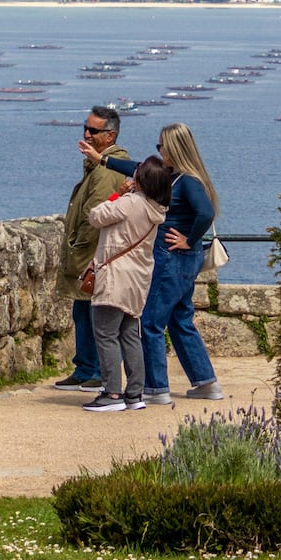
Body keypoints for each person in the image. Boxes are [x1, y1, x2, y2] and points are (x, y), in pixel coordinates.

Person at [83, 121, 223, 405]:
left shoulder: (186, 180)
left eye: (160, 145)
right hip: (185, 259)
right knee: (180, 319)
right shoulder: (172, 176)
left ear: (172, 149)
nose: (157, 150)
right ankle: (205, 381)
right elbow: (138, 169)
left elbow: (206, 212)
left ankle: (156, 387)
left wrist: (188, 238)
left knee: (149, 322)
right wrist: (103, 160)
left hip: (173, 257)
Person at [81, 155, 171, 413]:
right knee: (130, 334)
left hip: (115, 277)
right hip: (138, 280)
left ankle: (112, 393)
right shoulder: (156, 209)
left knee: (106, 334)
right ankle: (134, 393)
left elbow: (96, 216)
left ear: (142, 181)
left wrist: (117, 194)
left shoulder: (130, 203)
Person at [52, 106, 131, 392]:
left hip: (94, 255)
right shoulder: (100, 166)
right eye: (85, 128)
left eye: (93, 131)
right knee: (82, 313)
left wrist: (77, 249)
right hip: (90, 253)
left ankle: (96, 372)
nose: (86, 134)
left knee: (96, 316)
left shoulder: (108, 170)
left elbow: (96, 214)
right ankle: (85, 368)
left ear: (110, 136)